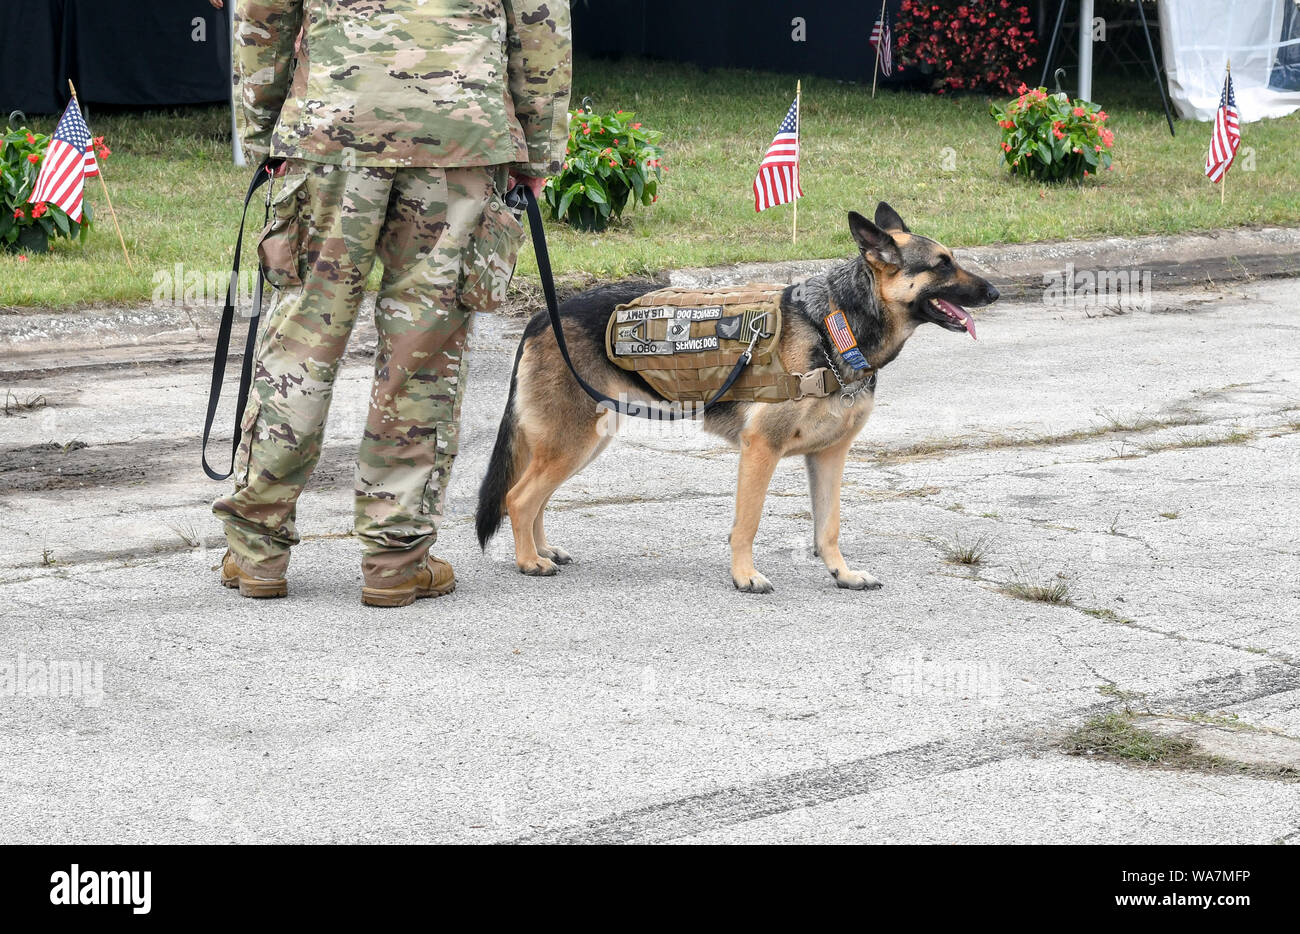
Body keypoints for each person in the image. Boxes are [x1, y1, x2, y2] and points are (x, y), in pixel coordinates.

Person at [213, 1, 571, 607]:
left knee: (303, 341)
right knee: (423, 355)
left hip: (334, 126)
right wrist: (539, 154)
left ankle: (257, 552)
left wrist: (265, 131)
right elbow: (540, 23)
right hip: (458, 135)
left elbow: (263, 13)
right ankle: (395, 560)